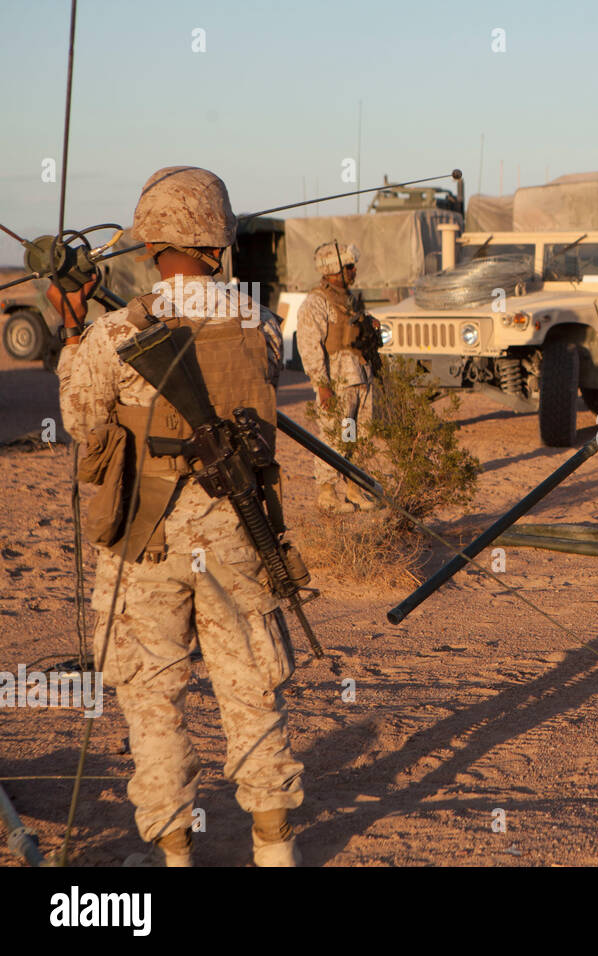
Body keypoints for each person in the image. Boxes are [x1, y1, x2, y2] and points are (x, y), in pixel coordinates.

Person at [50, 166, 304, 867]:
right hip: (239, 535)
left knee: (153, 698)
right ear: (218, 243)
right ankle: (275, 851)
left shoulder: (113, 334)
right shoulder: (260, 322)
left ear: (151, 241)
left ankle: (173, 855)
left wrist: (73, 334)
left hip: (147, 540)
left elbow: (79, 418)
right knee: (252, 690)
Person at [297, 241, 380, 513]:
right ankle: (327, 492)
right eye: (348, 267)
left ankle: (355, 488)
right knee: (335, 436)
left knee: (357, 435)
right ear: (333, 269)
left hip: (360, 377)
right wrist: (322, 386)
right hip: (337, 382)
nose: (354, 270)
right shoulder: (316, 302)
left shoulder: (351, 300)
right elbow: (309, 346)